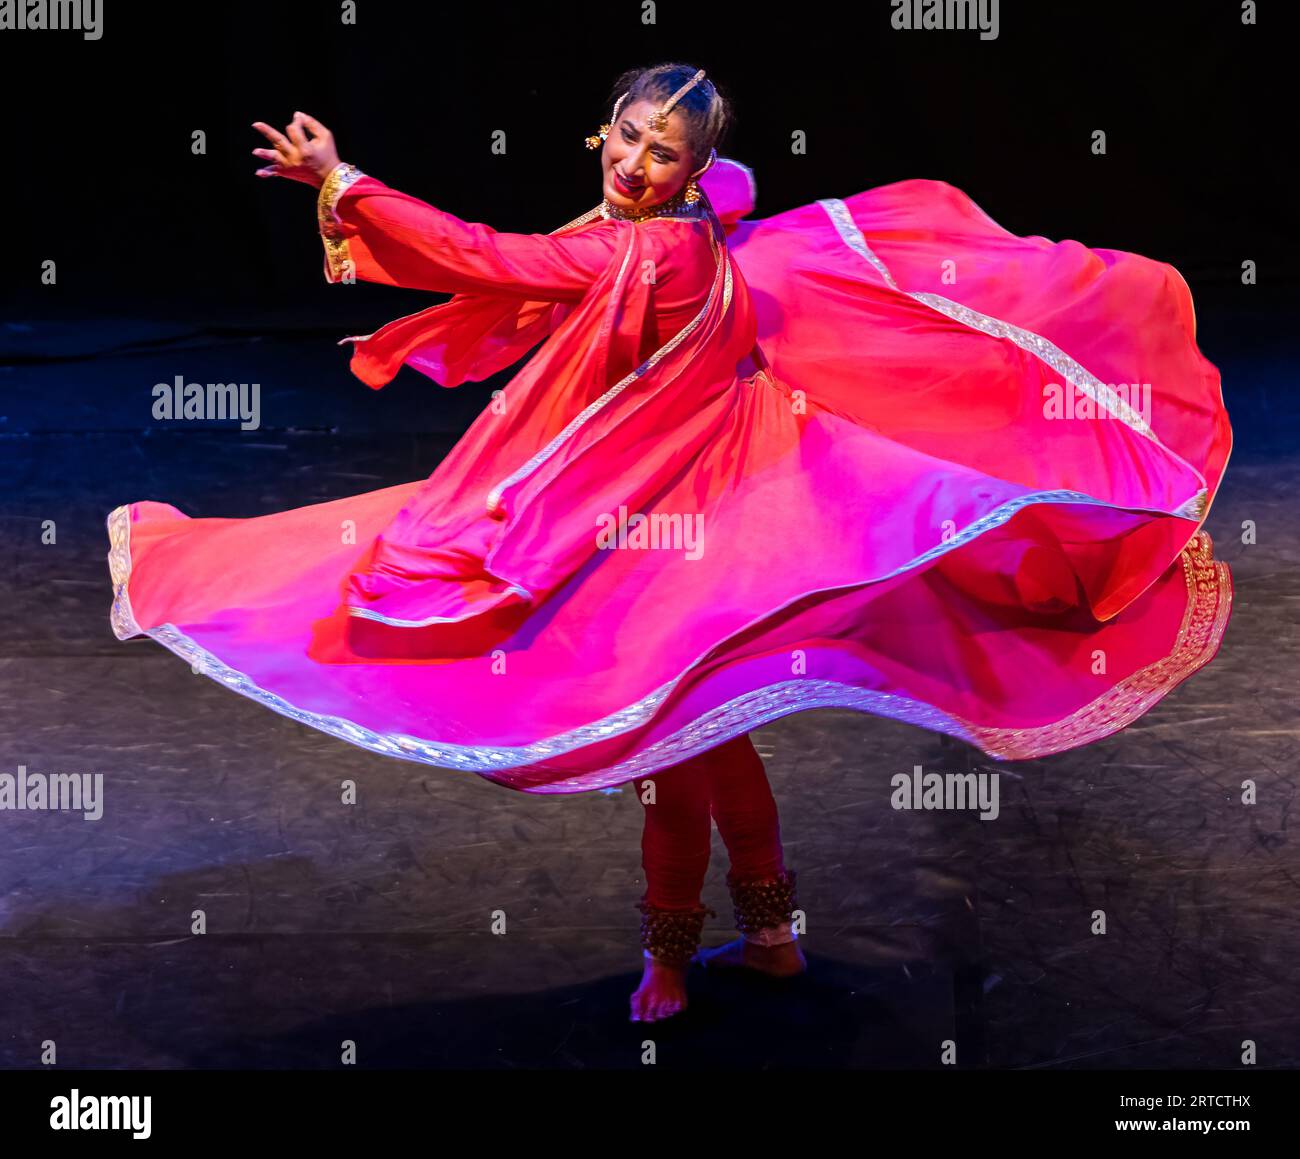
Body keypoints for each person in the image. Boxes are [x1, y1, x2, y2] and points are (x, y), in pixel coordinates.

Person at [107, 63, 1233, 1023]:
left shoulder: (664, 255)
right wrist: (428, 316)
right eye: (630, 138)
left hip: (691, 512)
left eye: (663, 154)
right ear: (608, 131)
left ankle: (674, 954)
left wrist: (346, 185)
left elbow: (495, 256)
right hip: (671, 491)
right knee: (707, 735)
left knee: (674, 750)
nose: (635, 164)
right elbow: (586, 261)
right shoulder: (659, 228)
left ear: (692, 174)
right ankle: (771, 933)